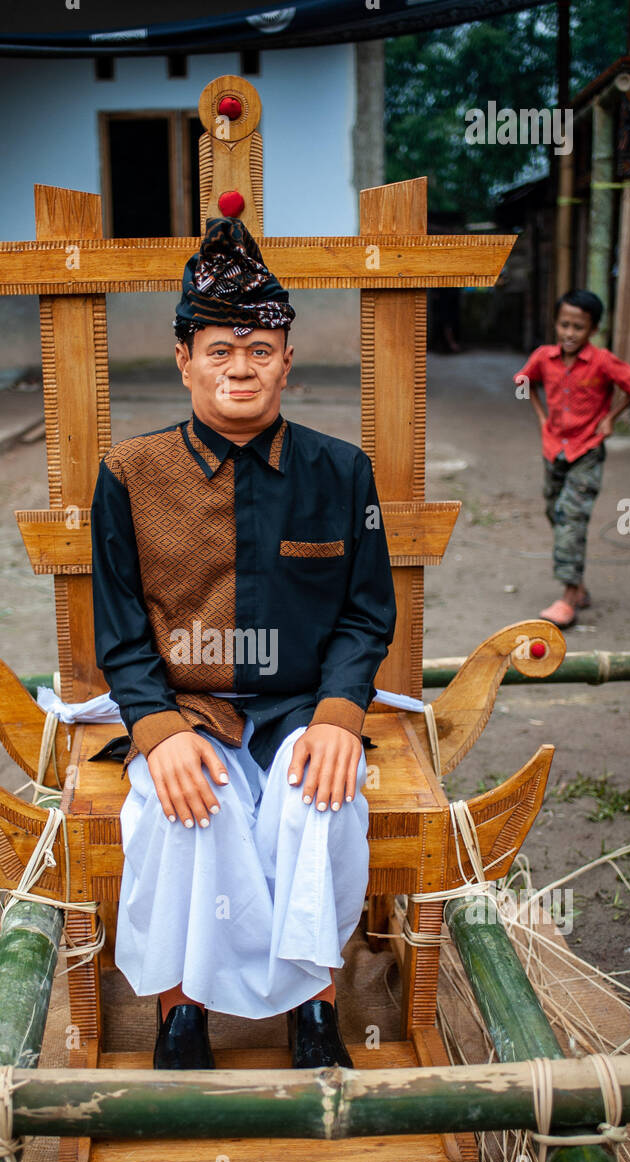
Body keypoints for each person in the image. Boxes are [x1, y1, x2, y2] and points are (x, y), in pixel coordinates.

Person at [91, 218, 396, 1069]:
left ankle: (314, 1006)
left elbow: (367, 614)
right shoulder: (128, 475)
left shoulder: (341, 472)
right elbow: (118, 632)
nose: (241, 367)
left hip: (302, 701)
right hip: (189, 704)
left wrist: (339, 713)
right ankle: (180, 1012)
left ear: (287, 359)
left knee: (320, 801)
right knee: (188, 808)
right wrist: (155, 730)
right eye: (221, 348)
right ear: (185, 356)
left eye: (260, 349)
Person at [515, 289, 630, 629]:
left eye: (579, 327)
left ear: (593, 330)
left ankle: (568, 597)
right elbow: (523, 381)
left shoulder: (602, 361)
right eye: (564, 325)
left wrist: (612, 417)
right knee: (554, 511)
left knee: (572, 516)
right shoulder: (544, 357)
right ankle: (580, 587)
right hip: (553, 448)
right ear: (556, 324)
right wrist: (540, 416)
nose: (570, 333)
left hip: (586, 449)